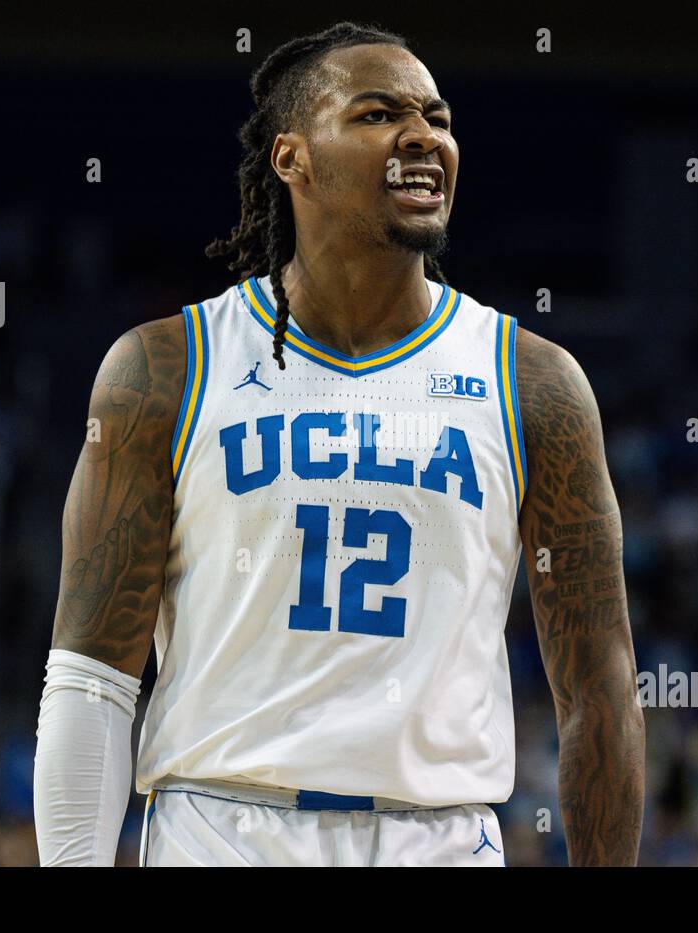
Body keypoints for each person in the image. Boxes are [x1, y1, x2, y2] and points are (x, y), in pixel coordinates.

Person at [33, 20, 644, 867]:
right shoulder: (164, 369)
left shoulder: (534, 383)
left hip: (441, 836)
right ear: (292, 158)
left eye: (438, 116)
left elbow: (598, 689)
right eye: (377, 114)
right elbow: (92, 677)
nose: (423, 136)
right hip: (222, 830)